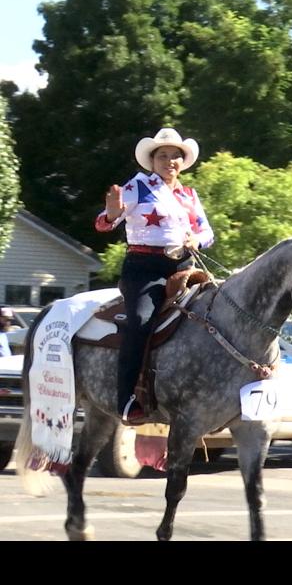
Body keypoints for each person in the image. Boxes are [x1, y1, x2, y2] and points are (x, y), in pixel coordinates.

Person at [95, 127, 216, 423]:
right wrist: (111, 214)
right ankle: (126, 399)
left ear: (182, 162)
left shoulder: (189, 194)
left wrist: (197, 240)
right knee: (140, 321)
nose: (170, 161)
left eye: (175, 156)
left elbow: (207, 232)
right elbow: (103, 224)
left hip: (184, 266)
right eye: (163, 156)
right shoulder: (138, 186)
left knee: (216, 312)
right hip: (144, 268)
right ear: (152, 161)